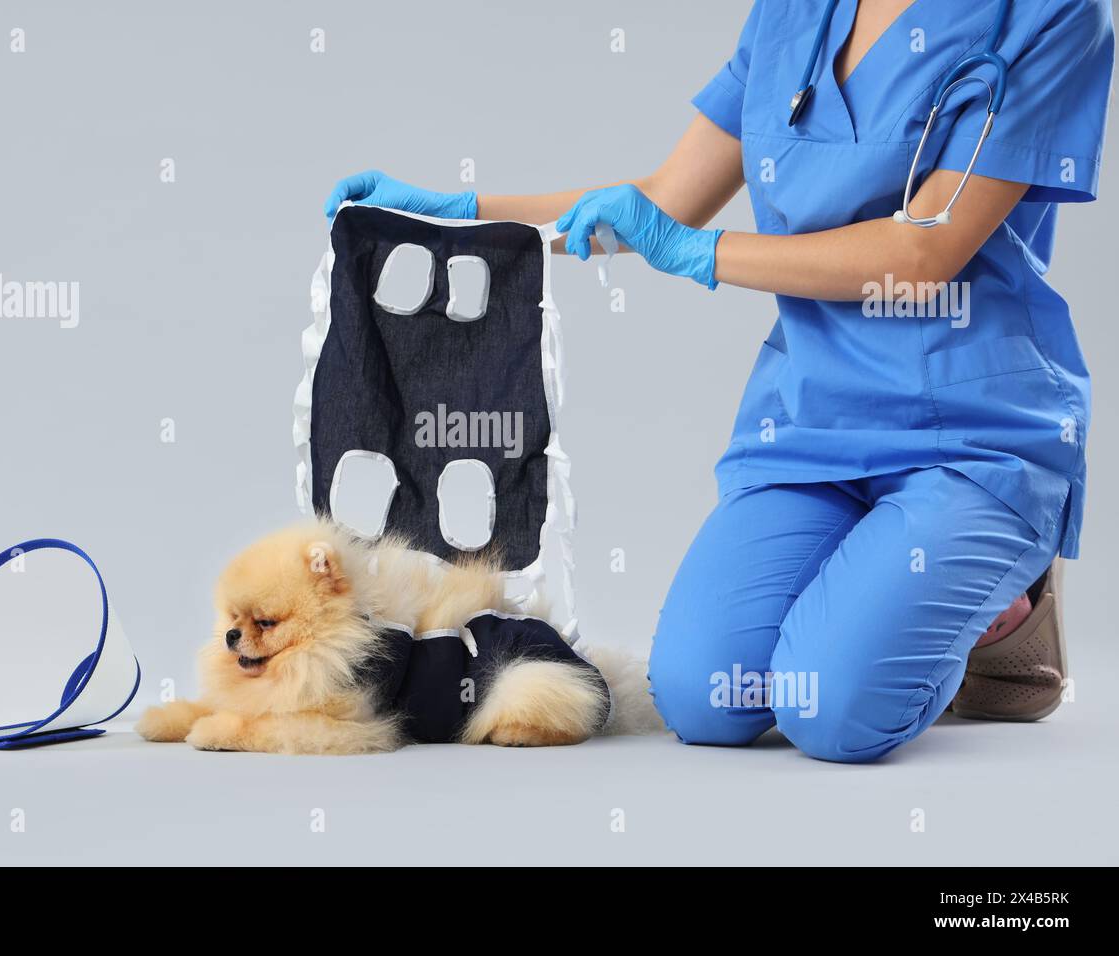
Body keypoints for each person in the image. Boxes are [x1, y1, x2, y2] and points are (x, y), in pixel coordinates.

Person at [324, 0, 1113, 762]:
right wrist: (455, 215)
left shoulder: (1049, 12)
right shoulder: (795, 13)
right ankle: (900, 588)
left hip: (973, 433)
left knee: (831, 712)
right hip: (815, 424)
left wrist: (702, 254)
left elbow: (923, 252)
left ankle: (1004, 611)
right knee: (705, 697)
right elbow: (662, 201)